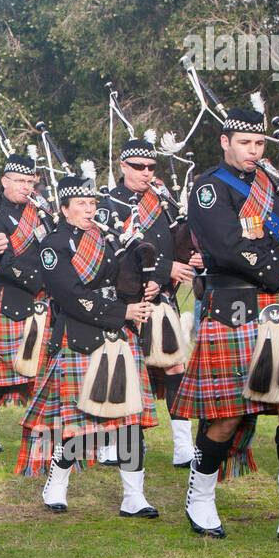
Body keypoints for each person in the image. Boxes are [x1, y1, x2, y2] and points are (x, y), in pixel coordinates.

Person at [172, 105, 279, 545]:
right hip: (233, 308)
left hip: (276, 311)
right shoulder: (207, 188)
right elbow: (228, 247)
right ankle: (200, 495)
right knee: (226, 417)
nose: (253, 150)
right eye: (245, 142)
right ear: (225, 142)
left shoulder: (269, 186)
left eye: (259, 143)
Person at [25, 173, 160, 516]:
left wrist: (140, 280)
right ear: (65, 209)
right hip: (79, 336)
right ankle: (56, 485)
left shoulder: (107, 239)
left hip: (117, 333)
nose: (89, 210)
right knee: (76, 424)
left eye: (92, 204)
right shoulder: (53, 246)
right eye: (81, 204)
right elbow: (70, 297)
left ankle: (134, 496)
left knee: (128, 419)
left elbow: (119, 281)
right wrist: (122, 309)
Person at [98, 138, 198, 467]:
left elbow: (173, 242)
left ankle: (183, 446)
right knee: (122, 369)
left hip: (160, 295)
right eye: (139, 166)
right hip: (122, 298)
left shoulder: (162, 201)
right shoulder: (108, 202)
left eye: (151, 167)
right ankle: (115, 441)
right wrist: (166, 268)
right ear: (123, 166)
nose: (146, 172)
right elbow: (112, 251)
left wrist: (179, 264)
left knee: (173, 364)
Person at [0, 154, 51, 454]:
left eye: (30, 181)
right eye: (19, 181)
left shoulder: (40, 212)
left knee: (42, 373)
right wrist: (32, 279)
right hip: (8, 297)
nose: (25, 187)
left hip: (40, 300)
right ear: (5, 181)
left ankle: (41, 430)